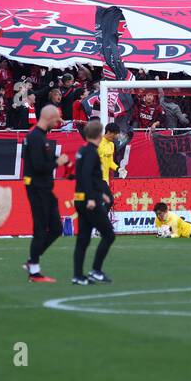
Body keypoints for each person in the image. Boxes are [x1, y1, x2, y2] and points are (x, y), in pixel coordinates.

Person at [23, 104, 68, 283]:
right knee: (40, 229)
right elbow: (39, 166)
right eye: (56, 119)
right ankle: (34, 272)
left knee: (56, 228)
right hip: (37, 188)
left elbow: (41, 161)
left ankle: (32, 260)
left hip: (45, 188)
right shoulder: (35, 137)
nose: (58, 123)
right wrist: (59, 163)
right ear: (49, 118)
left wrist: (57, 161)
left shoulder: (41, 137)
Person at [72, 120, 116, 286]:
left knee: (83, 239)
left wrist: (102, 194)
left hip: (79, 199)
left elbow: (89, 176)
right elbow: (86, 175)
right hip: (89, 201)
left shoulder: (82, 151)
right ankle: (96, 270)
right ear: (99, 135)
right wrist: (92, 197)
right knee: (109, 235)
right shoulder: (92, 152)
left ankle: (78, 276)